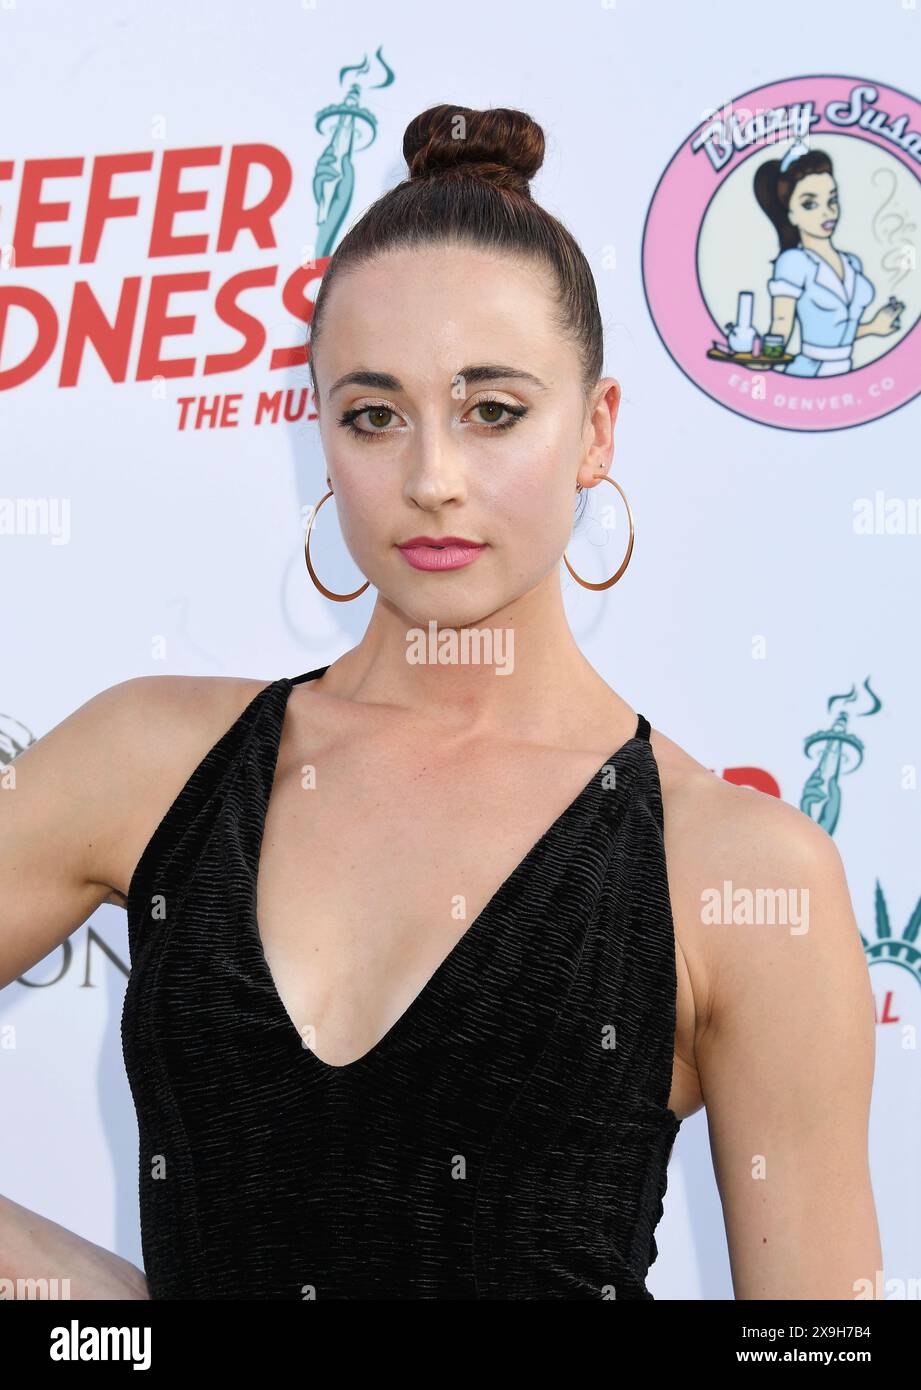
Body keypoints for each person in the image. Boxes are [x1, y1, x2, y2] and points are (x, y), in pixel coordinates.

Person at [1, 105, 880, 1300]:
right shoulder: (146, 758)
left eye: (494, 409)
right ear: (320, 432)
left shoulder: (736, 866)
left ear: (596, 431)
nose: (430, 479)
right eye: (374, 415)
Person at [755, 139, 904, 376]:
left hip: (846, 368)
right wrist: (762, 360)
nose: (828, 211)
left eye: (832, 199)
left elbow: (835, 331)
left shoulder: (852, 262)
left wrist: (875, 327)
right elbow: (781, 326)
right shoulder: (794, 263)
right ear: (790, 214)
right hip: (810, 370)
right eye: (810, 204)